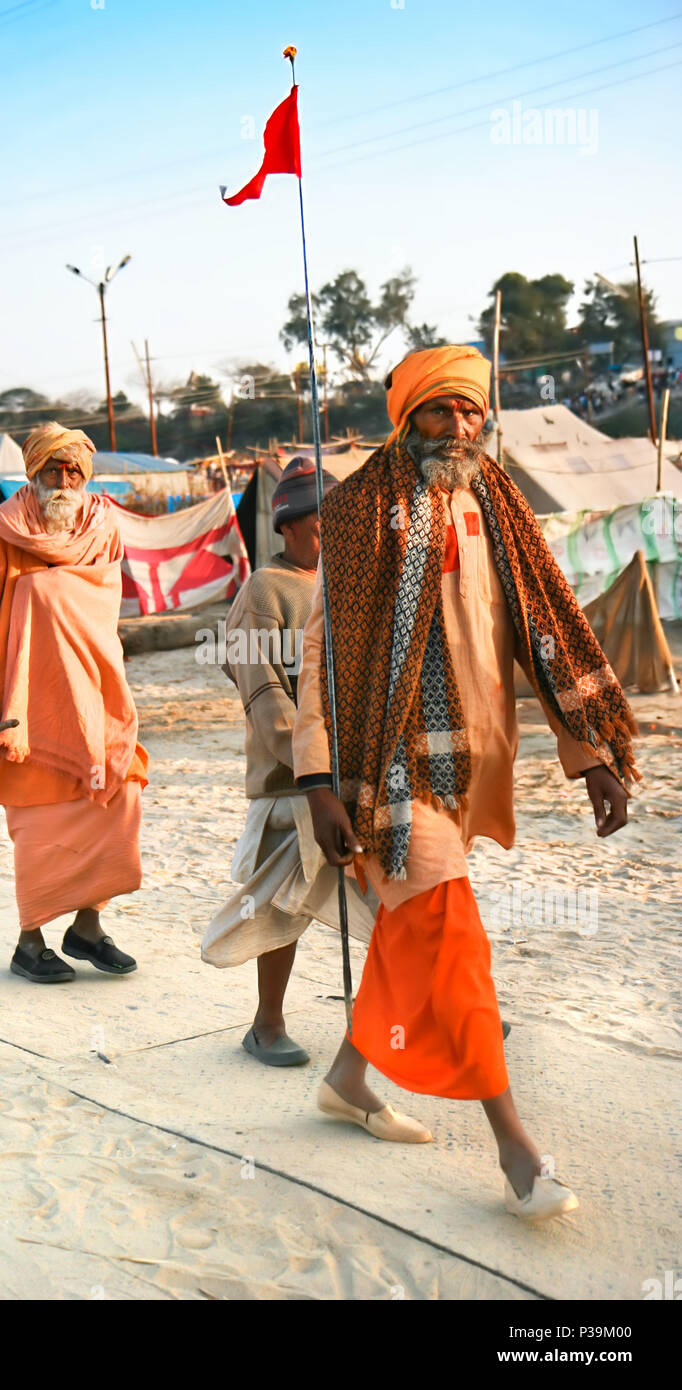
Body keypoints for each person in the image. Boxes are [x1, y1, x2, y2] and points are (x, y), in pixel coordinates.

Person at [292, 346, 640, 1219]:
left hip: (474, 765)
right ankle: (515, 1149)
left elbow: (546, 629)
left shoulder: (499, 504)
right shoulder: (359, 511)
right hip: (387, 768)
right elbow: (323, 657)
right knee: (454, 939)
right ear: (407, 419)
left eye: (472, 412)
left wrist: (591, 752)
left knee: (412, 933)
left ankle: (345, 1078)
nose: (460, 426)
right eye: (442, 411)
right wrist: (318, 780)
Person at [201, 458, 396, 1085]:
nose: (328, 532)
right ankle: (267, 1025)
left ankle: (438, 1008)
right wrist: (317, 771)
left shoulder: (351, 585)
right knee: (282, 910)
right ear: (287, 525)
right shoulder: (266, 590)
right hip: (294, 787)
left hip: (356, 780)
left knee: (395, 894)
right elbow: (267, 697)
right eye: (318, 521)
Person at [0, 422, 148, 983]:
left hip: (97, 693)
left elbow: (103, 611)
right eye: (53, 470)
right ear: (33, 472)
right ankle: (29, 942)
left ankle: (87, 929)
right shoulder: (6, 528)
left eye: (74, 471)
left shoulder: (104, 526)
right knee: (39, 826)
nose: (64, 480)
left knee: (116, 802)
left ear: (85, 476)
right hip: (28, 707)